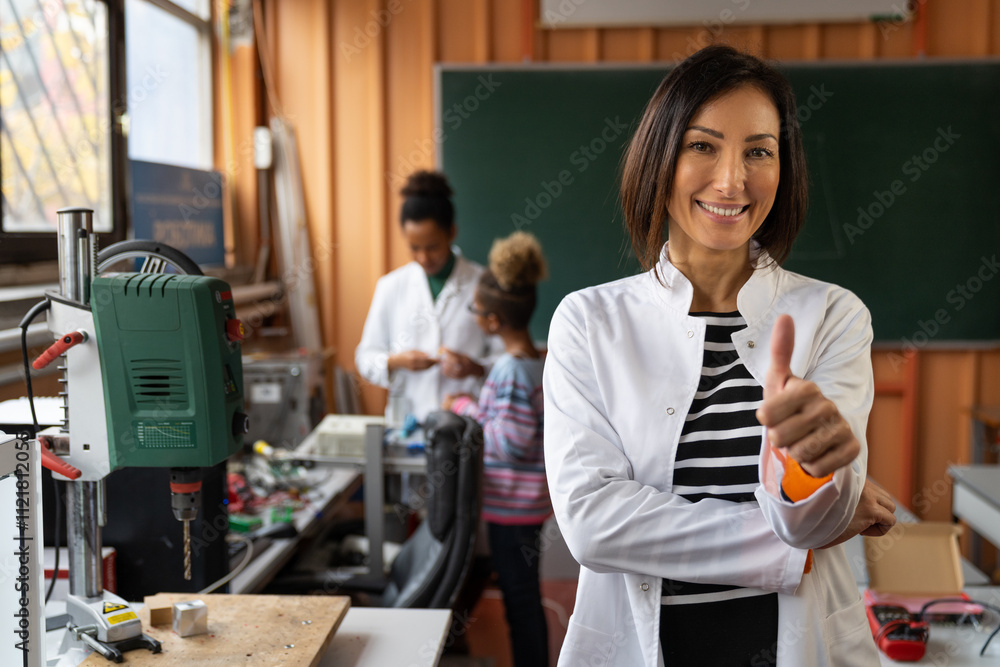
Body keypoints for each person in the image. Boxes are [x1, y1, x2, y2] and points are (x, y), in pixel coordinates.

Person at [543, 45, 897, 667]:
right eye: (702, 145)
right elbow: (593, 526)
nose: (733, 180)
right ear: (660, 158)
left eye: (758, 151)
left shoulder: (832, 316)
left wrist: (810, 474)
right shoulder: (588, 323)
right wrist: (790, 548)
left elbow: (819, 516)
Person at [445, 231, 550, 667]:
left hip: (513, 507)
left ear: (490, 322)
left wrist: (464, 406)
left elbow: (510, 440)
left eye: (475, 310)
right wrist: (478, 372)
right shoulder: (530, 360)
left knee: (520, 599)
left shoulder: (508, 371)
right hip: (526, 503)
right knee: (504, 584)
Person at [355, 170, 502, 422]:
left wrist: (474, 368)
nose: (424, 258)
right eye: (414, 248)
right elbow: (365, 357)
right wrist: (395, 361)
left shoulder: (483, 283)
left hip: (465, 425)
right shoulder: (391, 286)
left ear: (451, 232)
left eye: (432, 247)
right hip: (407, 425)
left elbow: (507, 358)